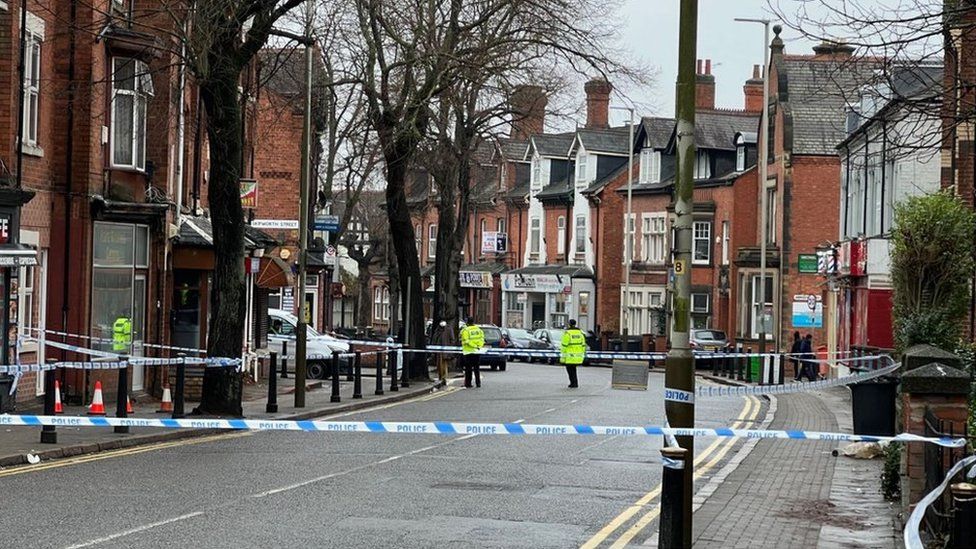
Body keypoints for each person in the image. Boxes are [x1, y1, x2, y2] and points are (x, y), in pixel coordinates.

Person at [560, 319, 587, 388]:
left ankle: (573, 383)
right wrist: (582, 354)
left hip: (569, 356)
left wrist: (562, 356)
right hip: (578, 356)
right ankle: (575, 383)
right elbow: (583, 344)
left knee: (570, 370)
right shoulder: (580, 333)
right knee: (574, 369)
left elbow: (564, 345)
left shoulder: (567, 333)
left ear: (569, 324)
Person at [459, 317, 484, 388]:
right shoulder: (478, 330)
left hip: (468, 352)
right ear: (473, 322)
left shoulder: (465, 330)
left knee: (468, 369)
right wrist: (478, 346)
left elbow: (466, 340)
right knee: (477, 368)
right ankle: (478, 383)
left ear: (467, 323)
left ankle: (468, 383)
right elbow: (482, 339)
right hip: (477, 351)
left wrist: (473, 346)